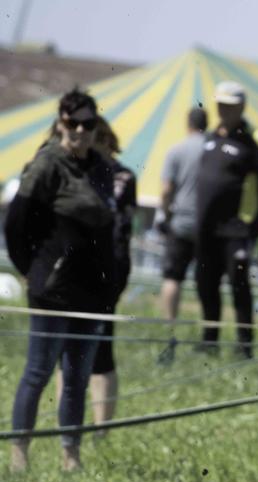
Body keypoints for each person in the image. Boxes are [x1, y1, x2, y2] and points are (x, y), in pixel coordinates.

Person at [5, 88, 115, 472]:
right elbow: (16, 223)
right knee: (38, 372)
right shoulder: (46, 164)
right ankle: (19, 452)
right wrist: (30, 270)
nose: (80, 130)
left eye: (88, 123)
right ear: (60, 123)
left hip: (91, 290)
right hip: (51, 289)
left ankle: (71, 456)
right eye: (73, 123)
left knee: (77, 378)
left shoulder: (102, 168)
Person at [194, 81, 258, 359]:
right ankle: (209, 341)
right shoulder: (211, 135)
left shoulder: (255, 138)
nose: (224, 109)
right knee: (206, 284)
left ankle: (244, 346)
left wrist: (257, 219)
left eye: (230, 105)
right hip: (207, 227)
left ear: (242, 106)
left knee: (239, 286)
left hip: (237, 227)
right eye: (220, 104)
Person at [85, 117, 136, 431]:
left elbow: (117, 227)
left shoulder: (122, 176)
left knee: (101, 348)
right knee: (71, 351)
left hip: (110, 268)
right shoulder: (79, 172)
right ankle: (72, 427)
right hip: (80, 271)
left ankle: (101, 429)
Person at [156, 107, 208, 365]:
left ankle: (170, 327)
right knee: (206, 281)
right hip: (207, 225)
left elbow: (166, 190)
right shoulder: (211, 149)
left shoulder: (176, 150)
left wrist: (165, 215)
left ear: (187, 124)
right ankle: (207, 332)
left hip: (181, 223)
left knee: (172, 278)